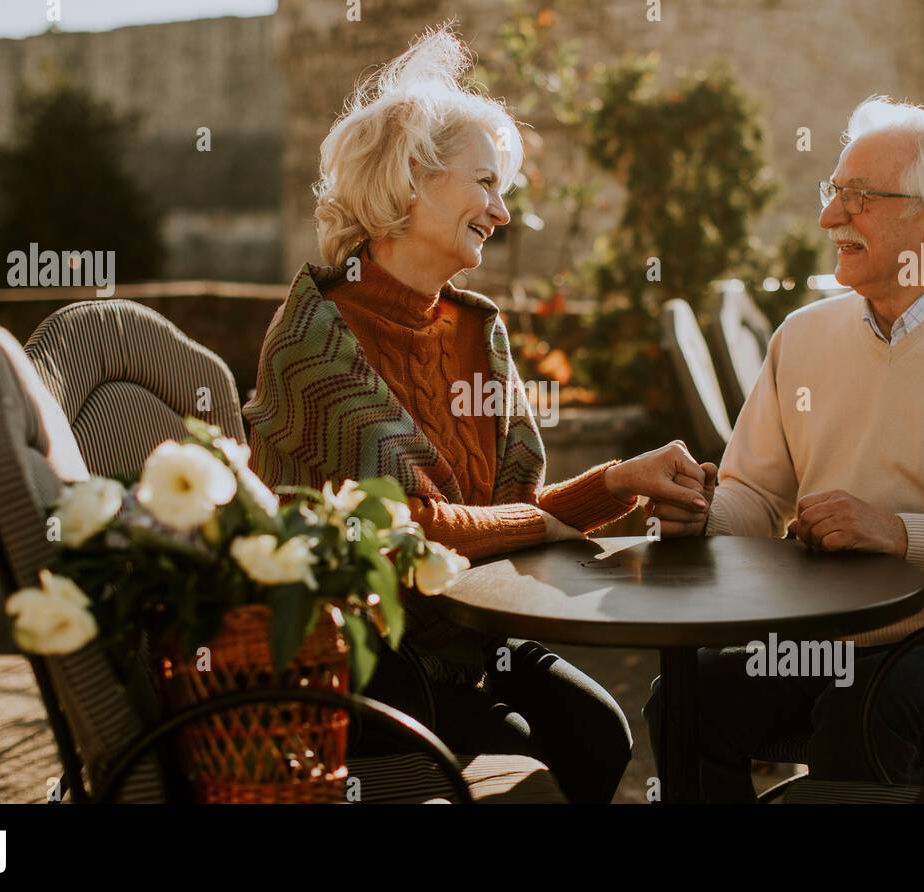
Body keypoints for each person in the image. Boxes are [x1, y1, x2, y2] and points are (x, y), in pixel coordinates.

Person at [244, 26, 712, 803]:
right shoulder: (313, 339)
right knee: (528, 759)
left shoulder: (472, 327)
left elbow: (504, 518)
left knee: (599, 733)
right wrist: (553, 523)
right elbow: (414, 530)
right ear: (410, 176)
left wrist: (621, 481)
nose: (500, 210)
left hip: (469, 635)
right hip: (359, 659)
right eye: (486, 184)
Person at [644, 97, 924, 801]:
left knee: (866, 711)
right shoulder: (803, 336)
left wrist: (896, 534)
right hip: (845, 636)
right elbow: (756, 495)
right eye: (833, 193)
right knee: (686, 698)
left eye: (859, 198)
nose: (829, 218)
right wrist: (703, 512)